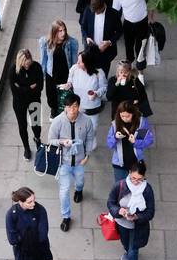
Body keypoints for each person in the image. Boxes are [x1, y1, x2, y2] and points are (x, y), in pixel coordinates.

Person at [107, 159, 155, 260]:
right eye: (133, 178)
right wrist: (119, 211)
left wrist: (136, 217)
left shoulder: (147, 190)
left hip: (137, 226)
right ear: (128, 173)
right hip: (122, 223)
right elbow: (110, 203)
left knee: (133, 251)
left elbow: (150, 212)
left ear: (144, 177)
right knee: (126, 244)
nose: (135, 181)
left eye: (139, 179)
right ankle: (127, 252)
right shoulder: (120, 185)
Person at [47, 95, 95, 231]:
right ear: (65, 107)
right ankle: (66, 216)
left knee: (80, 181)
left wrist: (87, 155)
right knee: (64, 191)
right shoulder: (57, 121)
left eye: (74, 106)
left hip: (80, 161)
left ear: (79, 106)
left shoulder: (86, 121)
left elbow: (90, 139)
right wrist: (62, 142)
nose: (72, 110)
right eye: (69, 107)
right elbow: (50, 140)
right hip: (63, 162)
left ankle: (79, 190)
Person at [5, 187, 53, 260]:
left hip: (40, 252)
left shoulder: (40, 210)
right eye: (29, 202)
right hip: (23, 255)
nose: (34, 203)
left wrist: (22, 235)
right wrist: (28, 234)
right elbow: (12, 239)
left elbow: (43, 235)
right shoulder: (12, 215)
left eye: (34, 200)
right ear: (20, 202)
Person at [111, 0, 153, 68]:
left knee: (140, 46)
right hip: (128, 24)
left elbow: (151, 0)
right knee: (128, 45)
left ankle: (140, 67)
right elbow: (115, 12)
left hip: (142, 22)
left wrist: (150, 17)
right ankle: (129, 63)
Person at [8, 50, 44, 160]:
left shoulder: (37, 67)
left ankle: (37, 139)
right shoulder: (13, 70)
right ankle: (26, 148)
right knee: (22, 126)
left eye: (29, 63)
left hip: (34, 100)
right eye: (25, 63)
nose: (27, 65)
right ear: (20, 62)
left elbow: (40, 86)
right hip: (19, 103)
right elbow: (14, 90)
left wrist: (22, 88)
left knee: (36, 124)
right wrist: (29, 88)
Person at [62, 47, 107, 134]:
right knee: (78, 129)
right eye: (78, 60)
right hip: (77, 106)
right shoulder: (74, 68)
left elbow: (104, 87)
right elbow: (70, 79)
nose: (77, 63)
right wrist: (69, 84)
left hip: (92, 108)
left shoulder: (99, 73)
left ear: (87, 63)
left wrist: (96, 93)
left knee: (92, 129)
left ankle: (90, 144)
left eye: (80, 61)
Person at [39, 20, 78, 117]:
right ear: (54, 32)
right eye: (60, 31)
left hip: (65, 74)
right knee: (51, 98)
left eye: (64, 30)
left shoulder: (71, 43)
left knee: (65, 97)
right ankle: (53, 110)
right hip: (51, 75)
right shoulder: (46, 42)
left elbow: (74, 62)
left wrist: (73, 76)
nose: (63, 33)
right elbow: (43, 60)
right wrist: (42, 75)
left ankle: (64, 113)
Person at [79, 0, 123, 75]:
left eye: (97, 11)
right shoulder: (88, 10)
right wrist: (87, 37)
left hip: (106, 51)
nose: (95, 13)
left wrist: (109, 42)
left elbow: (120, 31)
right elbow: (83, 27)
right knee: (90, 72)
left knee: (104, 72)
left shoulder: (114, 14)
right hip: (91, 50)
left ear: (103, 6)